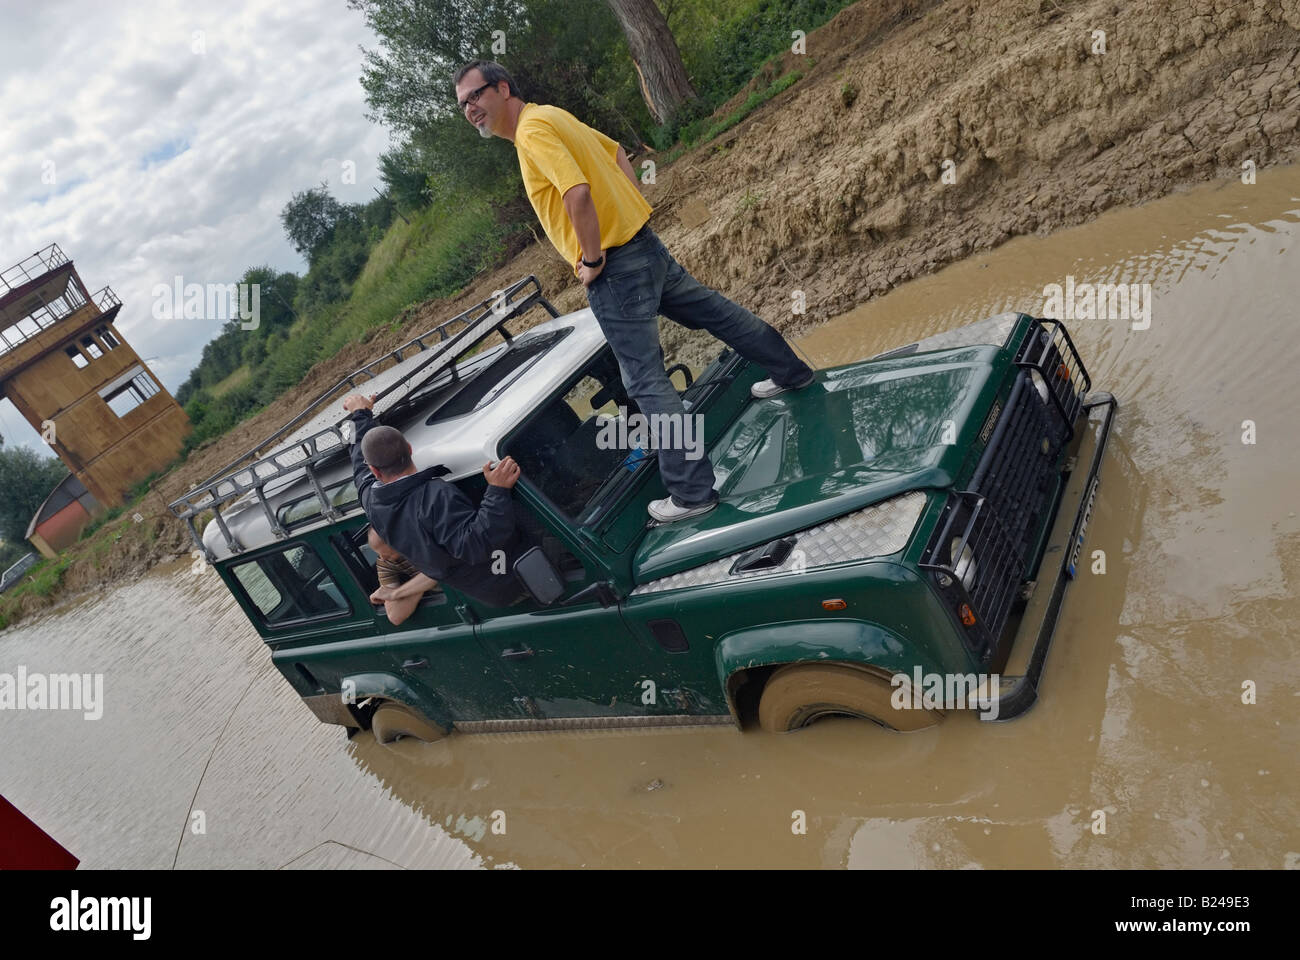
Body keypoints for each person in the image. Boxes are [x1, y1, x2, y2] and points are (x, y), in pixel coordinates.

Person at [453, 60, 816, 523]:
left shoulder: (531, 132)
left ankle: (691, 493)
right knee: (715, 312)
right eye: (463, 104)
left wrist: (593, 257)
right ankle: (792, 373)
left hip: (616, 269)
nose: (470, 109)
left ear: (503, 88)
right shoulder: (552, 116)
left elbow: (577, 193)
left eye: (476, 96)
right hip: (643, 247)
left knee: (644, 380)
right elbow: (617, 151)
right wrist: (631, 214)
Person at [341, 392, 526, 608]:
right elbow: (476, 544)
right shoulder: (434, 497)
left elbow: (357, 459)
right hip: (515, 577)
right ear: (409, 449)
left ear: (373, 469)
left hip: (492, 590)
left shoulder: (372, 502)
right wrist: (497, 491)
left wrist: (359, 416)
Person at [367, 527, 438, 626]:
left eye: (387, 554)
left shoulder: (424, 542)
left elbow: (441, 570)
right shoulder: (386, 562)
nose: (383, 558)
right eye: (380, 554)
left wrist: (394, 594)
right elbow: (395, 616)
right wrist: (421, 585)